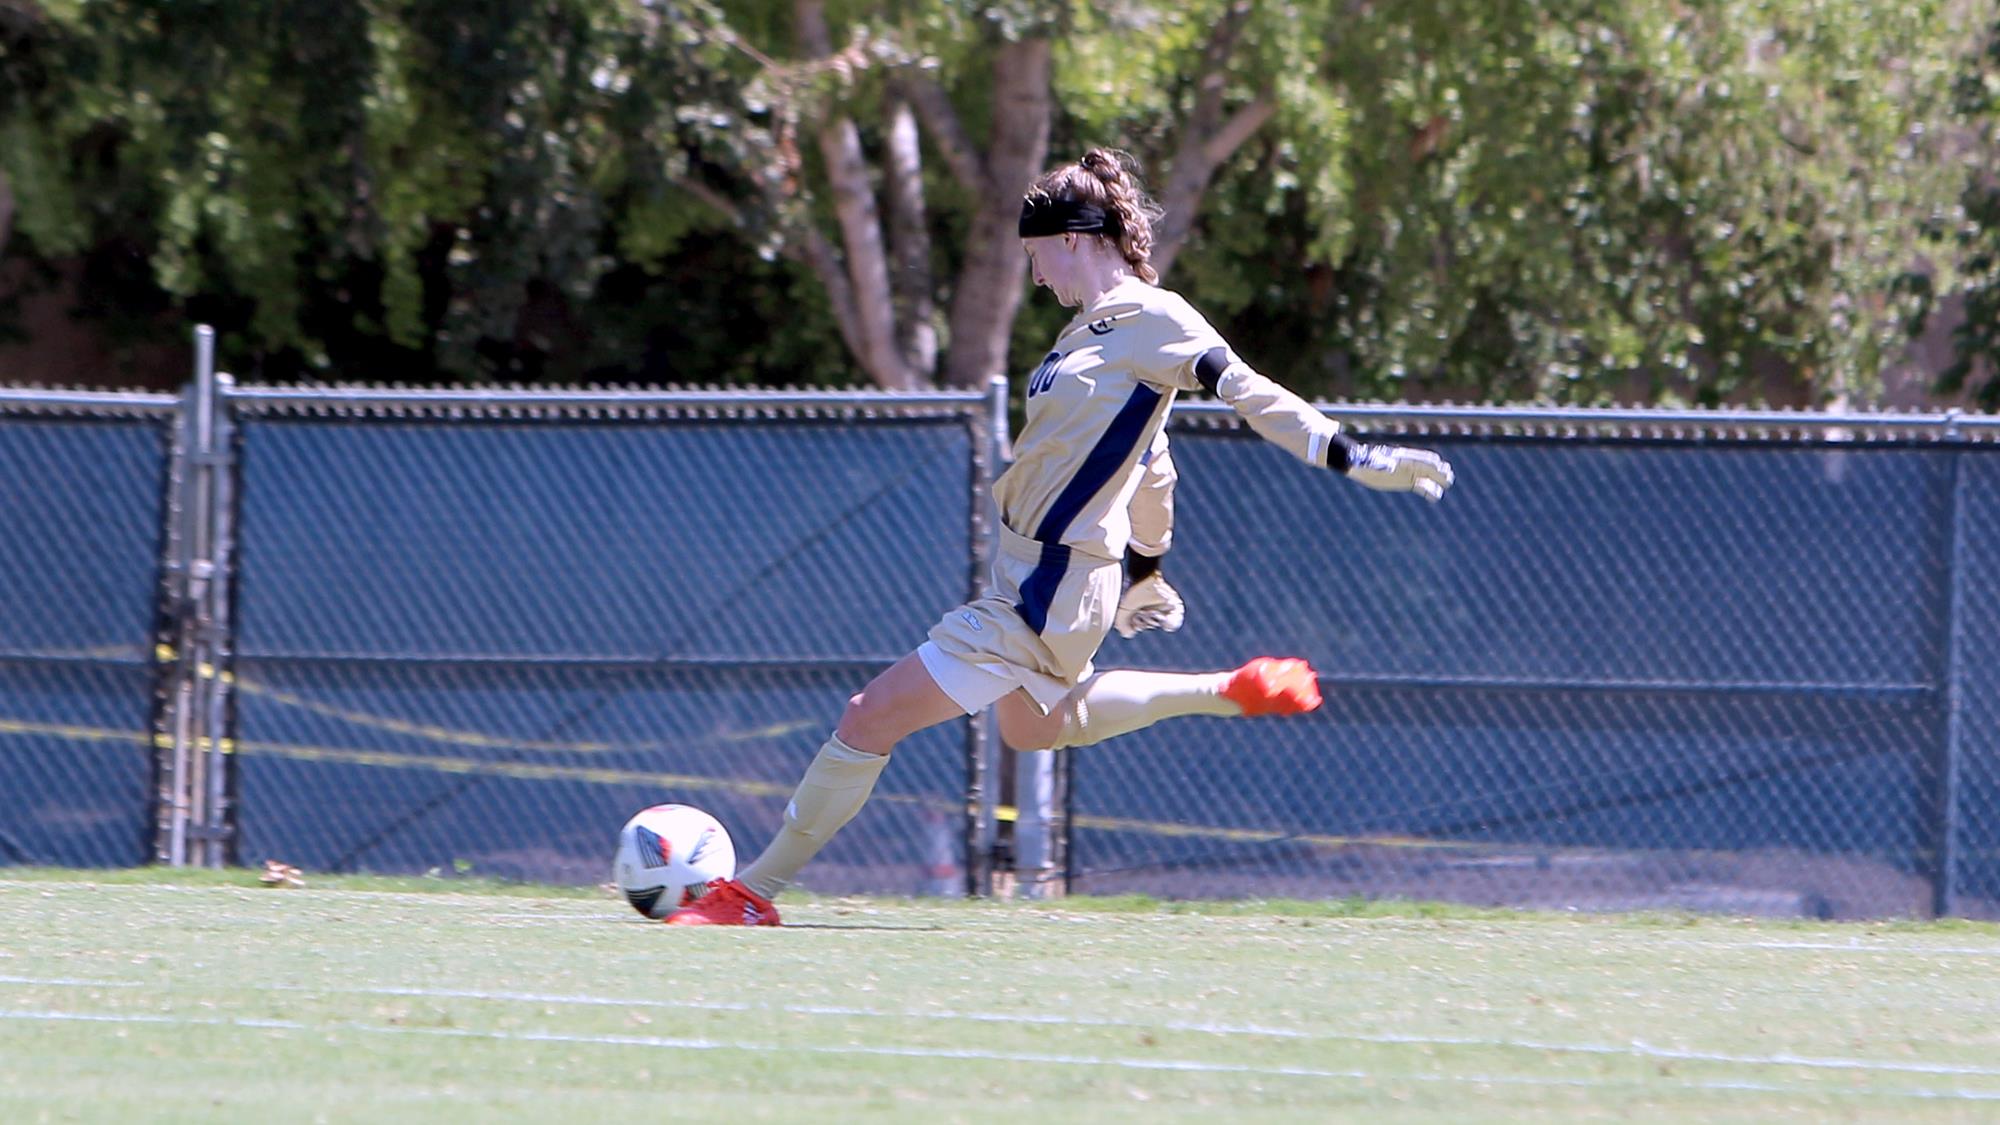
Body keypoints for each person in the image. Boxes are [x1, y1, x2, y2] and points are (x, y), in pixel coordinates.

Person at [666, 149, 1453, 926]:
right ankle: (1226, 689)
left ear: (1072, 237)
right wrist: (1147, 568)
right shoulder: (1086, 336)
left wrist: (1351, 454)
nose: (1037, 275)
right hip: (1046, 578)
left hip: (1051, 582)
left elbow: (1250, 392)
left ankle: (752, 893)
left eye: (1036, 254)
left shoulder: (1156, 317)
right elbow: (1154, 462)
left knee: (869, 714)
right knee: (1033, 724)